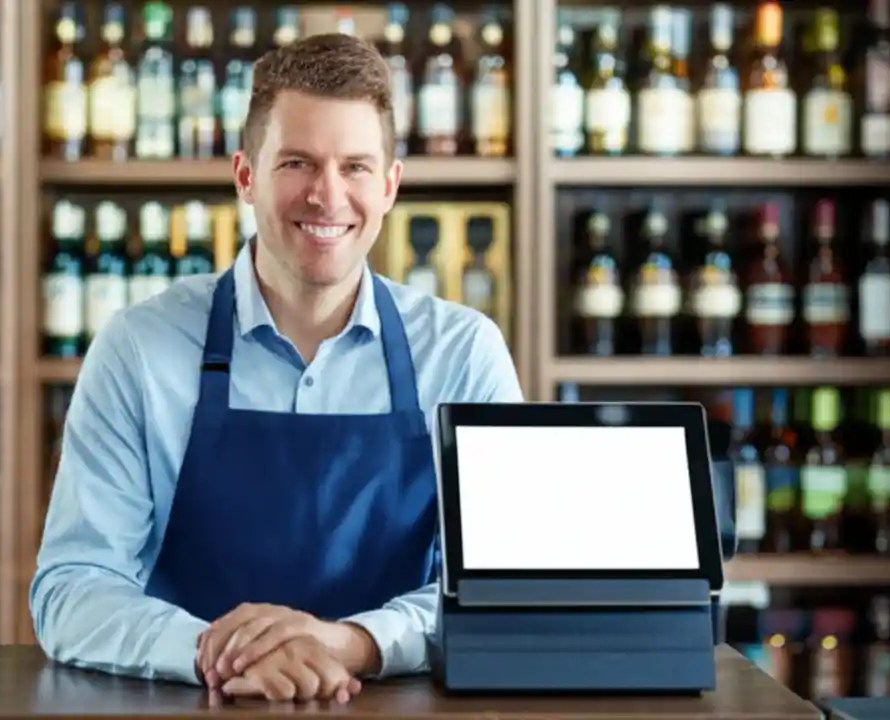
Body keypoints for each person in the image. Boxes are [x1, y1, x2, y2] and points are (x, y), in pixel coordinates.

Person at [29, 32, 523, 703]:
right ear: (244, 176)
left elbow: (505, 592)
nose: (327, 196)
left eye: (354, 167)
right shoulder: (138, 349)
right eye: (297, 163)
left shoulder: (463, 354)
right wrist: (219, 655)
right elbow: (72, 588)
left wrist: (351, 642)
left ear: (390, 187)